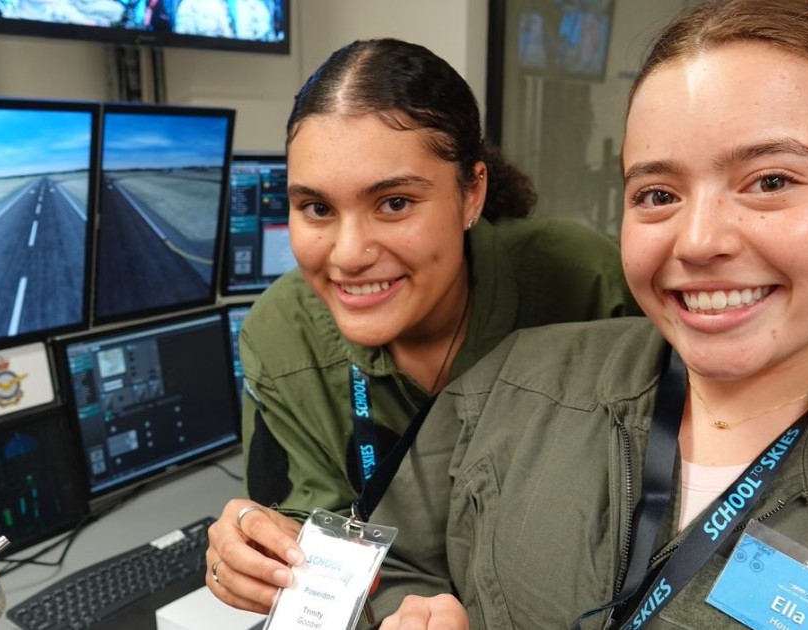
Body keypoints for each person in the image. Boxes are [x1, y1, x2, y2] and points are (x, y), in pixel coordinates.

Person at [371, 1, 808, 628]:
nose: (700, 240)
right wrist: (414, 611)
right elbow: (388, 562)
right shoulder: (513, 387)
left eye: (770, 181)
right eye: (658, 194)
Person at [205, 38, 637, 614]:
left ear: (471, 193)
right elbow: (305, 542)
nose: (349, 255)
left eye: (394, 203)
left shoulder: (584, 283)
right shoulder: (285, 338)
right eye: (317, 209)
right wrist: (255, 556)